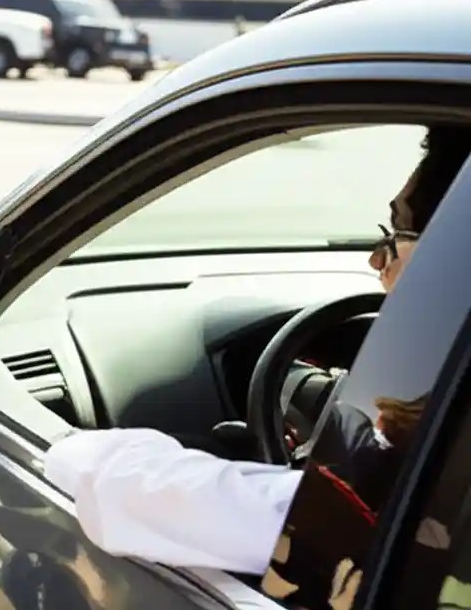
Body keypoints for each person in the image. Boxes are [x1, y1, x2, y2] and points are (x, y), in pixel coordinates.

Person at [42, 125, 471, 578]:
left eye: (396, 236)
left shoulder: (382, 523)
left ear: (452, 256)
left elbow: (273, 519)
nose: (374, 261)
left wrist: (72, 454)